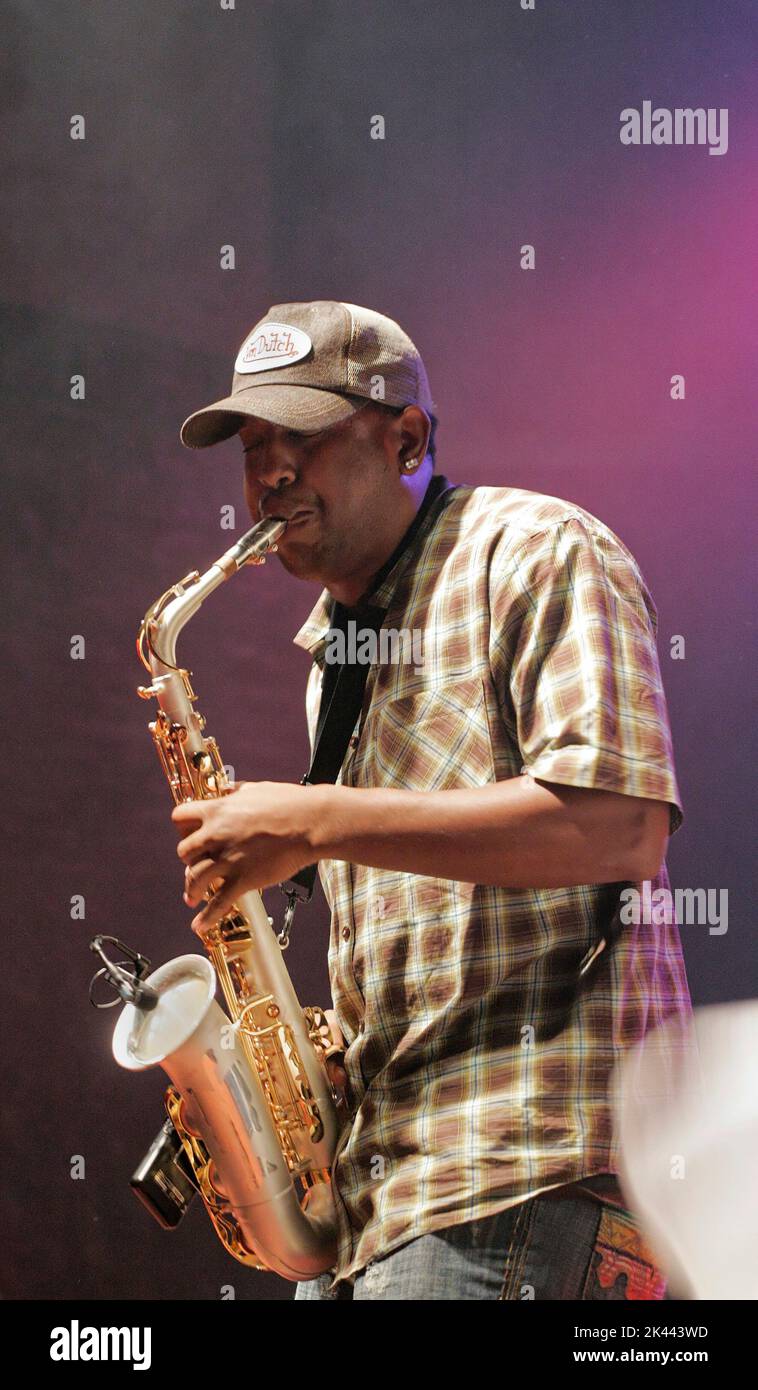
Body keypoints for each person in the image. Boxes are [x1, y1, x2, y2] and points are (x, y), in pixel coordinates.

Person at [171, 300, 693, 1300]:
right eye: (251, 446)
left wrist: (310, 820)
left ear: (404, 437)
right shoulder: (334, 659)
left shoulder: (535, 550)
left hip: (517, 1177)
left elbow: (619, 825)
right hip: (389, 1212)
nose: (268, 472)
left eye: (302, 437)